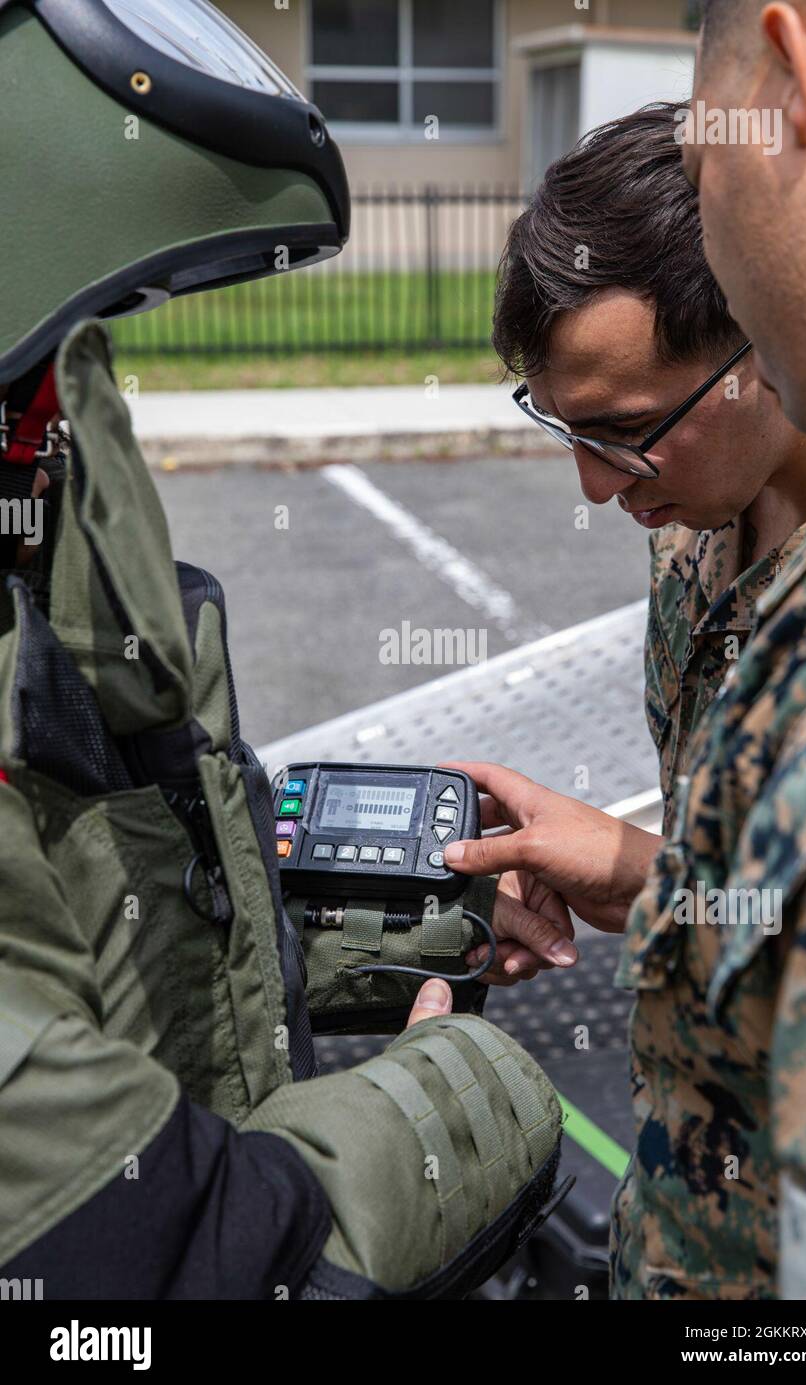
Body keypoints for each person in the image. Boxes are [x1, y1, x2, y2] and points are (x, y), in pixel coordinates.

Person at [0, 0, 563, 1300]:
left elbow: (139, 909)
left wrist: (433, 927)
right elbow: (196, 1251)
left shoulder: (60, 403)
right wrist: (476, 1079)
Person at [446, 55, 806, 1295]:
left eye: (624, 431)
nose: (592, 485)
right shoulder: (695, 525)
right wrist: (637, 874)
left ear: (755, 334)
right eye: (563, 426)